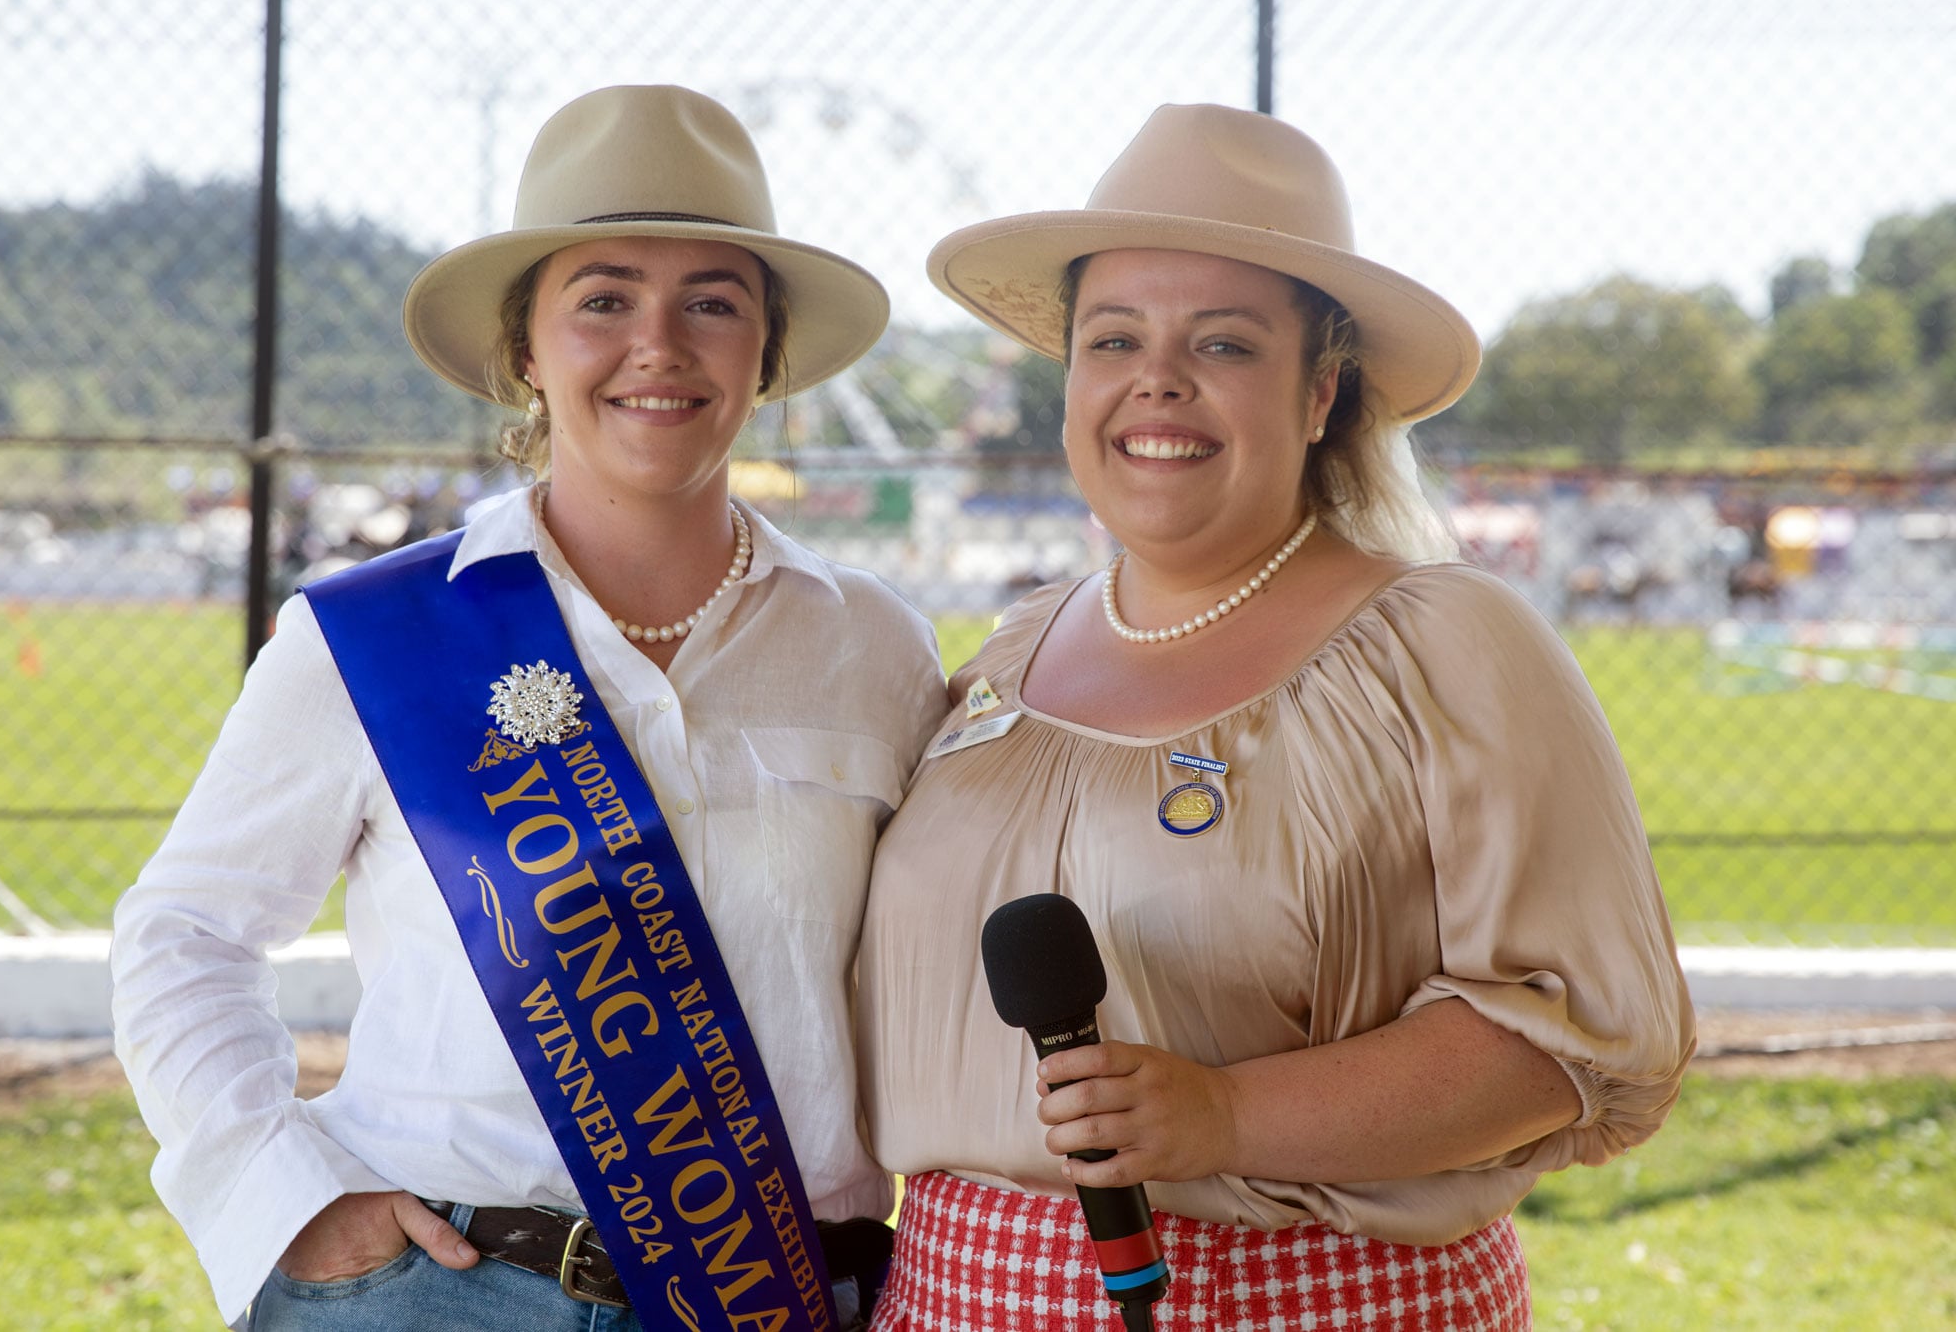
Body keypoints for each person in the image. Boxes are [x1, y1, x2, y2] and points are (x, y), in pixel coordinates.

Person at [112, 85, 944, 1331]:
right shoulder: (367, 639)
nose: (657, 343)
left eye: (712, 302)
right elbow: (183, 933)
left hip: (774, 1294)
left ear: (764, 355)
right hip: (444, 1292)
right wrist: (287, 1196)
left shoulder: (873, 644)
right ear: (525, 350)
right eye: (602, 299)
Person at [856, 103, 1694, 1330]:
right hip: (946, 1296)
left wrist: (1224, 1116)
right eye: (1113, 337)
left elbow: (1568, 1043)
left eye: (1225, 345)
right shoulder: (1012, 650)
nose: (1156, 380)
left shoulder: (1447, 642)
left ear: (1320, 395)